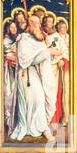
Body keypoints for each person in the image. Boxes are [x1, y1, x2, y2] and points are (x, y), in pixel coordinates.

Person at [8, 13, 53, 141]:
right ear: (31, 24)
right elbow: (24, 60)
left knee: (39, 98)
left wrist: (46, 51)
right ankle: (24, 127)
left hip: (33, 72)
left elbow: (41, 55)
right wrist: (45, 53)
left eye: (39, 23)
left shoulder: (38, 39)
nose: (39, 26)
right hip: (24, 73)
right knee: (25, 101)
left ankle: (42, 127)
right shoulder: (23, 39)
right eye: (36, 24)